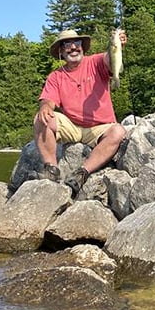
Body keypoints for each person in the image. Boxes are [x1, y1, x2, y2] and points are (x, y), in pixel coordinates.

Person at [33, 28, 127, 195]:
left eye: (76, 43)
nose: (73, 47)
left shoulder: (95, 61)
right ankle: (51, 169)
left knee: (118, 132)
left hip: (100, 127)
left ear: (82, 47)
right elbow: (48, 100)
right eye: (67, 45)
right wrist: (45, 107)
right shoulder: (56, 76)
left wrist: (117, 42)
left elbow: (109, 58)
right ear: (61, 51)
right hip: (72, 126)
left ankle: (82, 173)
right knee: (42, 118)